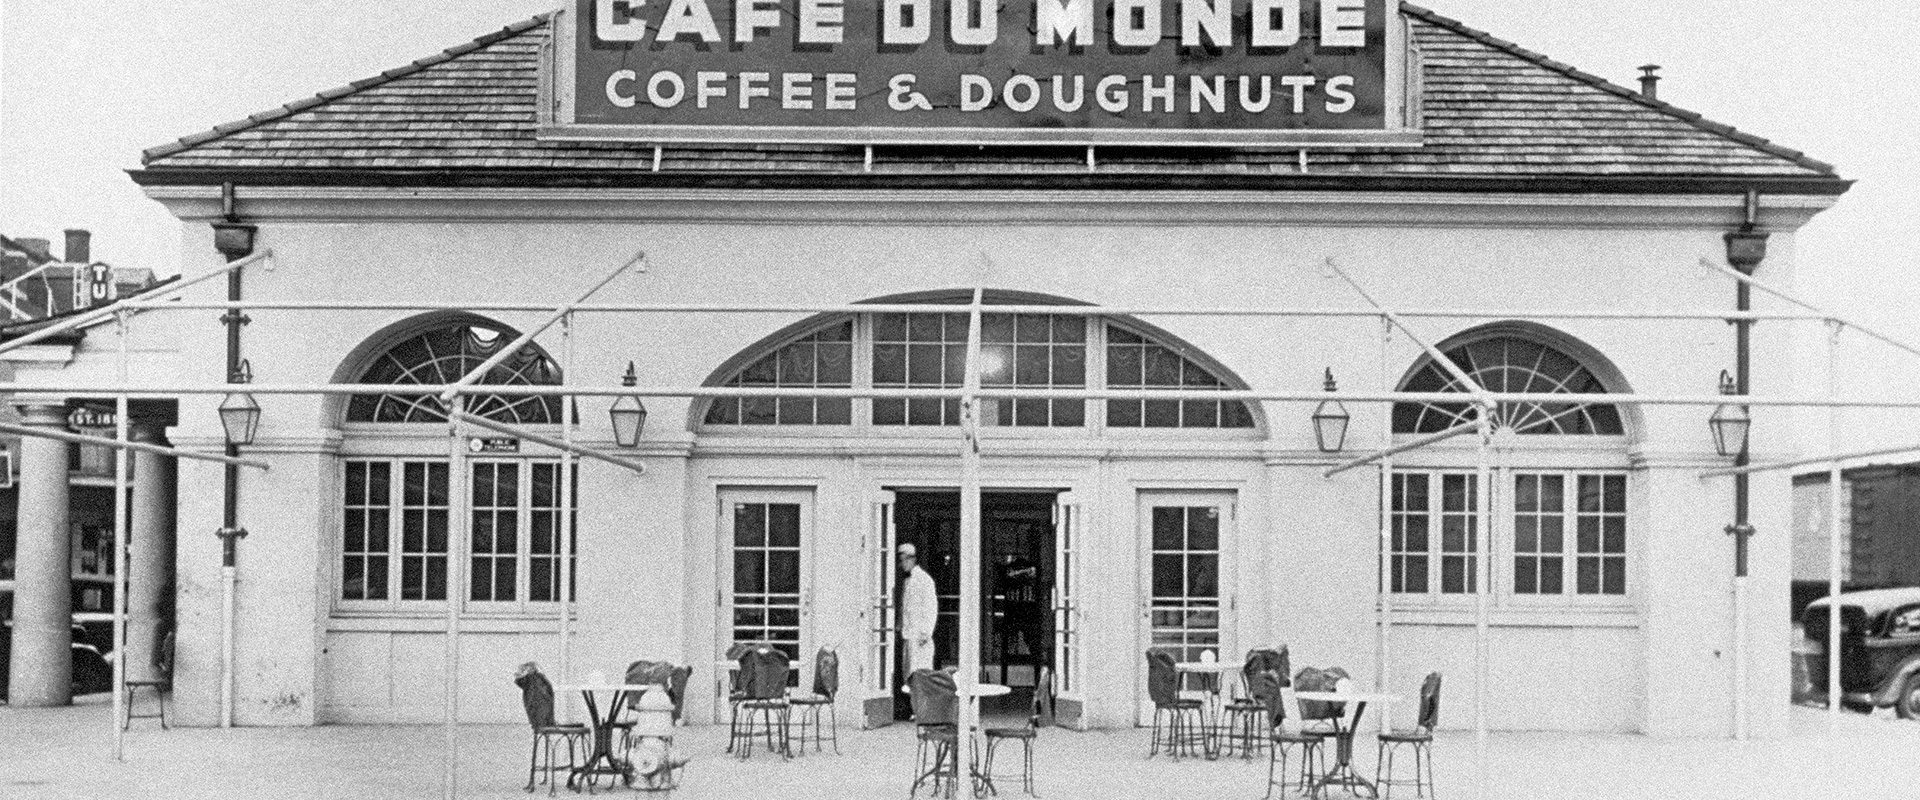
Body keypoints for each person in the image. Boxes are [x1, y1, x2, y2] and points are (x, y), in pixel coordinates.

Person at [898, 542, 938, 672]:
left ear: (912, 559)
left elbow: (931, 607)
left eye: (904, 560)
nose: (902, 564)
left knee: (920, 676)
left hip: (920, 638)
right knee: (908, 676)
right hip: (908, 636)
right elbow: (905, 607)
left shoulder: (924, 580)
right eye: (901, 560)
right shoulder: (907, 581)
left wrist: (926, 632)